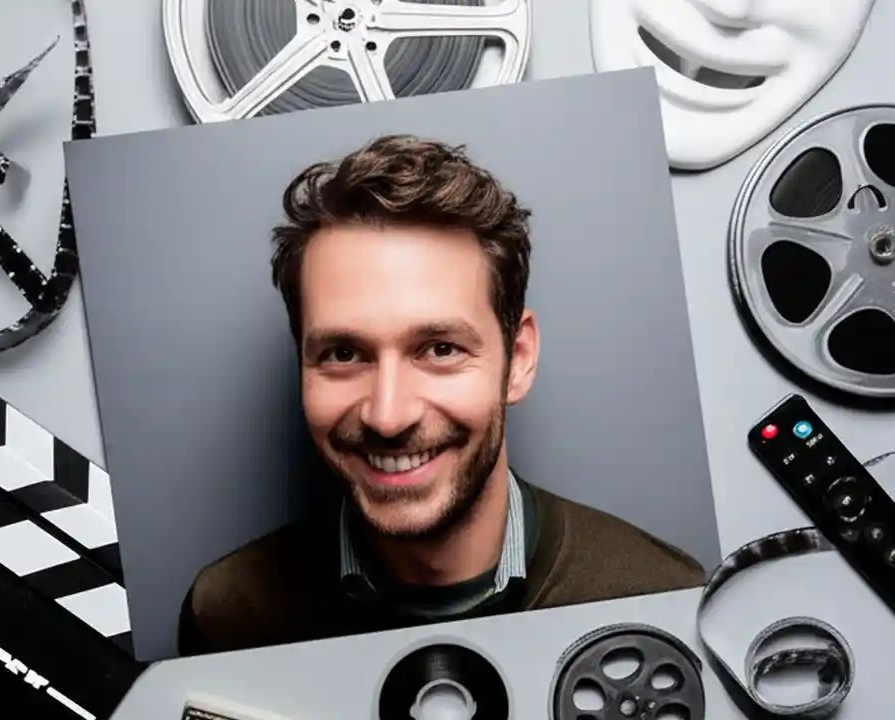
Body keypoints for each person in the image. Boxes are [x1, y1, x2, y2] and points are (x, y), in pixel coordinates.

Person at [177, 134, 705, 656]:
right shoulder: (229, 616)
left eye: (440, 349)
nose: (388, 416)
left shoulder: (658, 598)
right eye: (343, 354)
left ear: (517, 360)